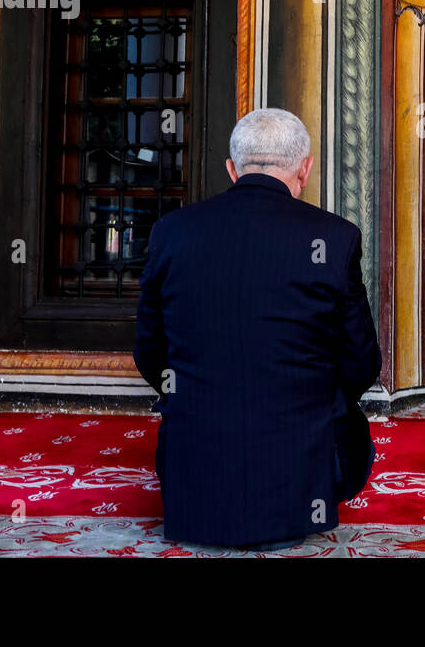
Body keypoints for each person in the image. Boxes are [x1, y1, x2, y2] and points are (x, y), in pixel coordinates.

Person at [134, 107, 381, 549]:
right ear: (305, 168)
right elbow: (362, 362)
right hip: (297, 486)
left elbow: (149, 353)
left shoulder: (171, 232)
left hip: (196, 494)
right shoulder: (335, 237)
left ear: (232, 168)